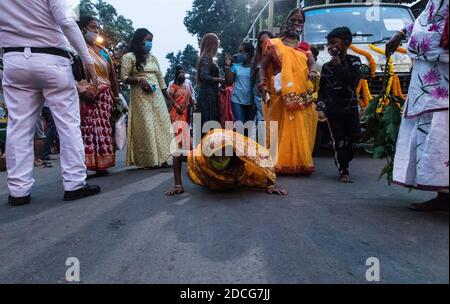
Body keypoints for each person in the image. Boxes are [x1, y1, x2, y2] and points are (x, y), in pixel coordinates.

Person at [0, 0, 101, 206]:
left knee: (18, 127)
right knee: (68, 125)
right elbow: (66, 21)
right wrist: (87, 60)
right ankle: (74, 184)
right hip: (52, 59)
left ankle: (18, 191)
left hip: (14, 58)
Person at [386, 0, 449, 211]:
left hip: (443, 79)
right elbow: (428, 19)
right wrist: (402, 32)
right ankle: (443, 195)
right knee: (435, 133)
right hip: (429, 82)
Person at [258, 8, 320, 175]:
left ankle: (298, 163)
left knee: (297, 126)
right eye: (294, 20)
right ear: (287, 21)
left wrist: (313, 71)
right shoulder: (275, 44)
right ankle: (277, 161)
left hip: (299, 94)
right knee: (278, 126)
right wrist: (263, 84)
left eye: (300, 21)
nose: (297, 24)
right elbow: (263, 67)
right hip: (279, 93)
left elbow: (311, 63)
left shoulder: (304, 46)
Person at [166, 129, 287, 196]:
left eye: (223, 153)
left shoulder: (238, 149)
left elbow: (264, 155)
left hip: (233, 177)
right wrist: (178, 185)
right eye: (216, 154)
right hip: (205, 170)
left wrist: (271, 185)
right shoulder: (201, 155)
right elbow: (177, 154)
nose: (219, 157)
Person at [121, 28, 175, 169]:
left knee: (162, 125)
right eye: (148, 40)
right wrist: (139, 80)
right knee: (147, 127)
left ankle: (164, 159)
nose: (150, 43)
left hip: (157, 97)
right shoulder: (129, 57)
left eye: (151, 41)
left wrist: (169, 98)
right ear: (139, 41)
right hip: (141, 97)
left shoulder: (153, 58)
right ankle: (150, 161)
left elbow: (161, 79)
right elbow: (124, 78)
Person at [317, 27, 362, 183]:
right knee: (339, 140)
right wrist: (320, 106)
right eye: (328, 44)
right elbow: (322, 89)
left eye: (334, 42)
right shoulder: (326, 67)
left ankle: (343, 159)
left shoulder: (355, 61)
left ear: (347, 43)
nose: (331, 47)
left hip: (350, 109)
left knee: (355, 137)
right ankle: (344, 170)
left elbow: (353, 81)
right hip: (333, 111)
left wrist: (339, 66)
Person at [77, 16, 120, 177]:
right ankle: (87, 164)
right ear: (82, 29)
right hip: (87, 94)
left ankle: (102, 165)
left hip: (105, 96)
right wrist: (83, 91)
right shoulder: (77, 49)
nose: (96, 30)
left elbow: (112, 76)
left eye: (97, 28)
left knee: (104, 129)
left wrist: (116, 96)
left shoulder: (103, 51)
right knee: (88, 129)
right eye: (92, 27)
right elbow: (74, 73)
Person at [195, 33, 225, 137]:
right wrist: (220, 79)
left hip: (209, 93)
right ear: (213, 44)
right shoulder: (207, 57)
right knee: (209, 121)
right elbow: (204, 76)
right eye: (217, 42)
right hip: (208, 95)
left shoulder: (206, 57)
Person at [225, 42, 255, 127]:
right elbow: (229, 82)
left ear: (249, 54)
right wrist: (227, 66)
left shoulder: (255, 68)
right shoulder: (235, 66)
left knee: (248, 129)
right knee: (240, 126)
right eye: (239, 51)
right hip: (237, 101)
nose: (239, 54)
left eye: (241, 51)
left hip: (251, 102)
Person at [168, 66, 195, 149]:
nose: (182, 75)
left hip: (185, 112)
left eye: (183, 73)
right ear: (176, 75)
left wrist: (194, 105)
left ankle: (186, 153)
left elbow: (190, 96)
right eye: (180, 74)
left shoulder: (187, 85)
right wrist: (175, 108)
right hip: (175, 113)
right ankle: (179, 154)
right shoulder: (173, 86)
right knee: (178, 133)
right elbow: (170, 99)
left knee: (185, 132)